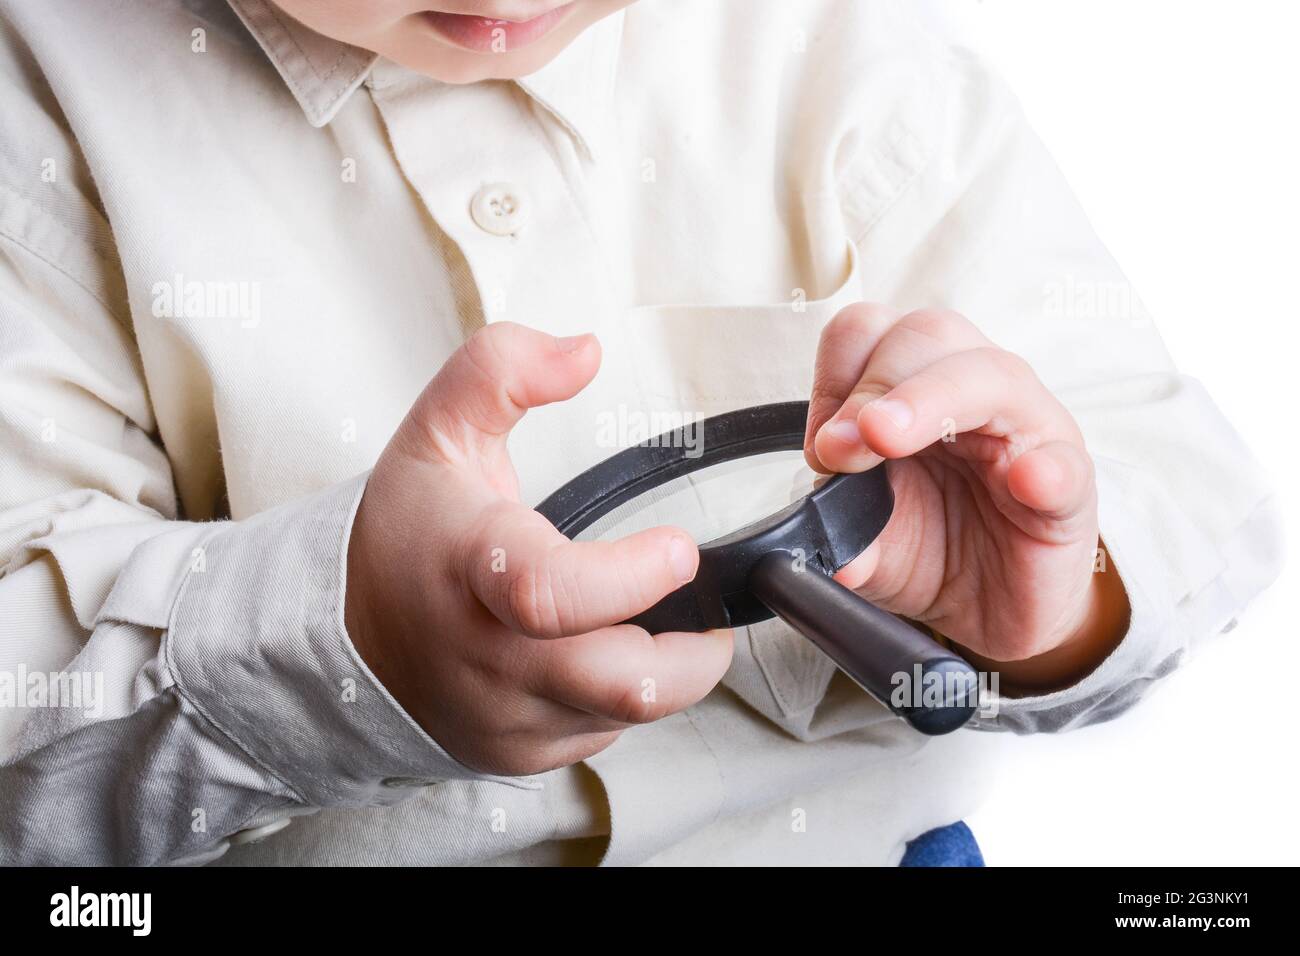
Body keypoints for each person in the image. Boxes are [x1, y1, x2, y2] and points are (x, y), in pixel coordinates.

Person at [0, 0, 1280, 866]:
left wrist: (1057, 605)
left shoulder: (839, 51)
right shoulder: (40, 101)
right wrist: (341, 657)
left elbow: (1188, 486)